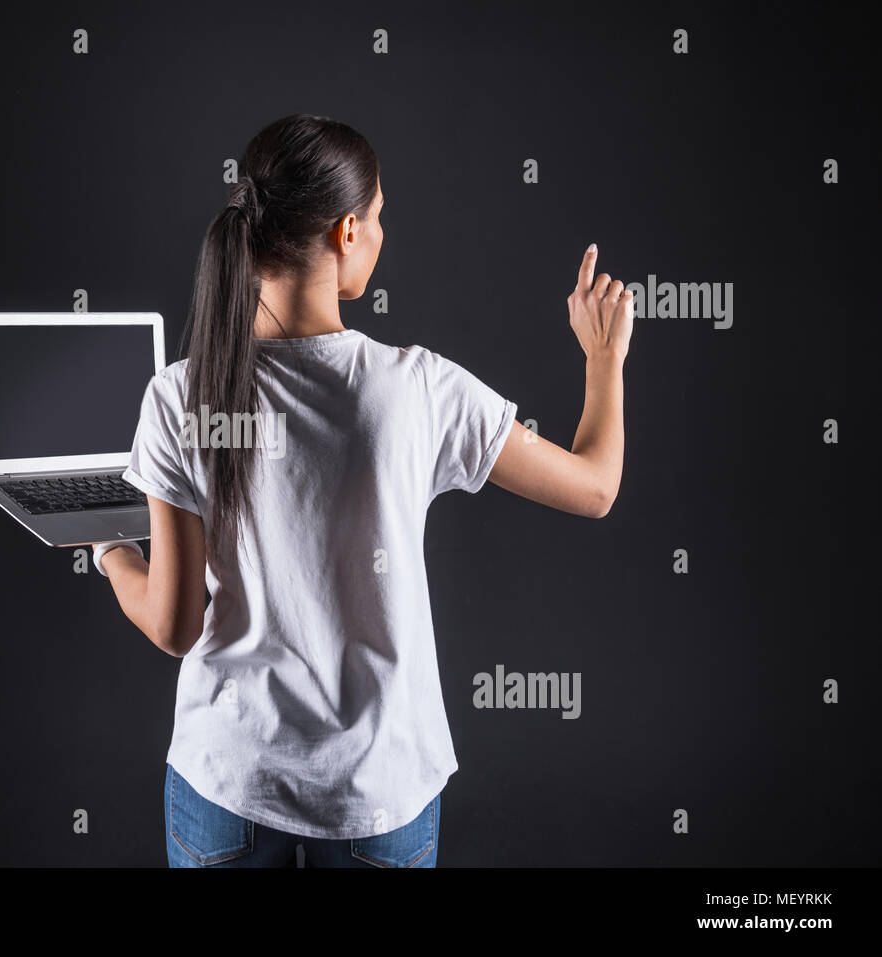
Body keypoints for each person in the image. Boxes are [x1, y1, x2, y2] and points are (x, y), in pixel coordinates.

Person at [90, 114, 633, 867]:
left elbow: (176, 625)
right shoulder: (418, 390)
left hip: (228, 787)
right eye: (378, 217)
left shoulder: (181, 395)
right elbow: (596, 486)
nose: (382, 232)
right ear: (346, 232)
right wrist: (602, 359)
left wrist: (109, 549)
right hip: (378, 796)